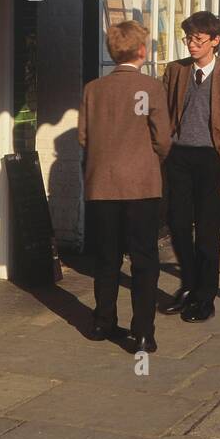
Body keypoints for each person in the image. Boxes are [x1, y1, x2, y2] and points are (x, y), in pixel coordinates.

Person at [78, 21, 172, 354]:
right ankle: (143, 332)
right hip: (141, 185)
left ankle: (102, 322)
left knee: (106, 257)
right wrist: (148, 158)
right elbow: (163, 138)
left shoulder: (93, 89)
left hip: (102, 184)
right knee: (144, 259)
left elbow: (83, 137)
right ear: (142, 51)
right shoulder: (149, 88)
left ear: (112, 51)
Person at [160, 11, 220, 323]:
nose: (191, 44)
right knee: (176, 225)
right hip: (178, 159)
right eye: (188, 38)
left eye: (198, 40)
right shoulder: (175, 71)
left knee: (207, 232)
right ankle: (188, 287)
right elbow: (163, 113)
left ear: (215, 41)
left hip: (213, 162)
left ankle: (205, 297)